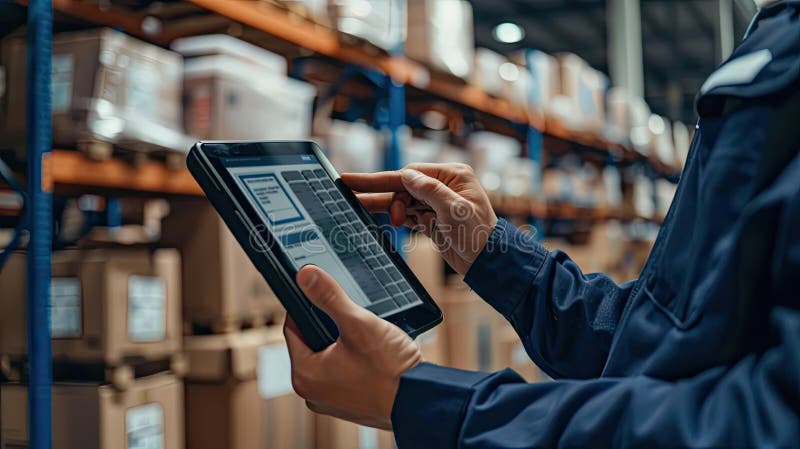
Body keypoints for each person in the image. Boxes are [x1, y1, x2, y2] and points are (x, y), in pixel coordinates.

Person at [283, 1, 800, 447]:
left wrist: (426, 402)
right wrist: (490, 250)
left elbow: (762, 423)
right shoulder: (776, 29)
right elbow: (655, 338)